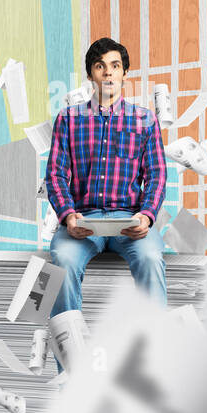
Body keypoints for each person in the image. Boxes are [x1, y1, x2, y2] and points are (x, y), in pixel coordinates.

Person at [45, 38, 167, 317]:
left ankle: (156, 354)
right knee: (62, 262)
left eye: (115, 66)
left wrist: (147, 216)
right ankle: (72, 359)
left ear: (125, 73)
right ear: (90, 74)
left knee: (150, 258)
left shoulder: (145, 119)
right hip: (82, 220)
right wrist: (68, 215)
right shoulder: (68, 119)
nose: (108, 72)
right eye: (100, 66)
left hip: (130, 220)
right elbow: (55, 174)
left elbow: (157, 174)